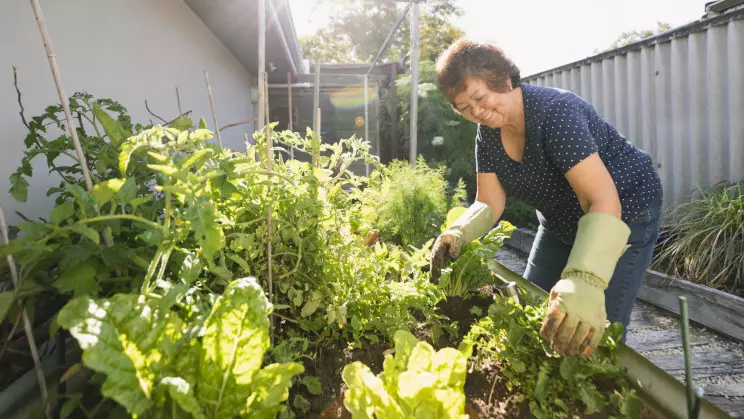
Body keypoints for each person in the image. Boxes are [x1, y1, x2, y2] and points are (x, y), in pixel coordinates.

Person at [429, 39, 663, 357]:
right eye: (464, 109)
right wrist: (458, 232)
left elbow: (601, 198)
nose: (477, 113)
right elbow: (488, 202)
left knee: (590, 328)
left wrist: (585, 279)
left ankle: (598, 390)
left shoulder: (556, 114)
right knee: (530, 309)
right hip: (561, 220)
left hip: (624, 210)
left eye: (480, 99)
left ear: (505, 80)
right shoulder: (487, 135)